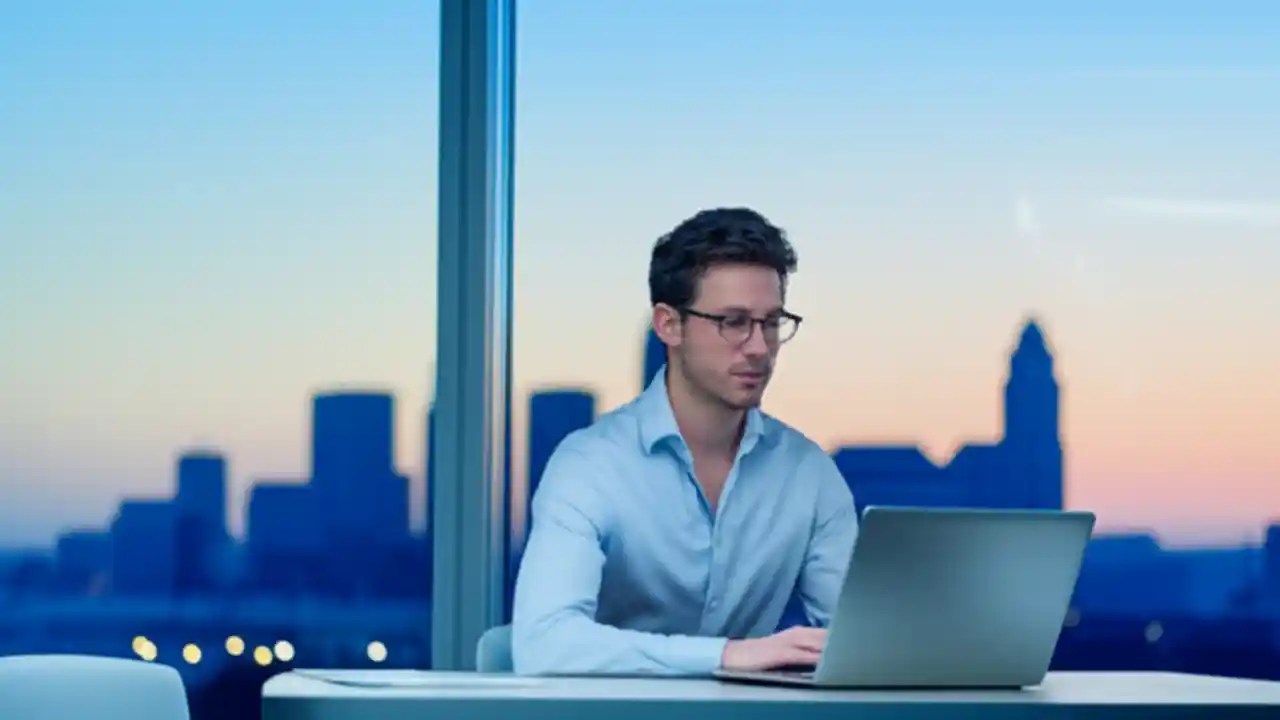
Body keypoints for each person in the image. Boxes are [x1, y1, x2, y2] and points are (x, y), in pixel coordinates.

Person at [511, 207, 858, 676]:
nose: (759, 347)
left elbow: (857, 642)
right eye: (733, 322)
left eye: (771, 322)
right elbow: (543, 644)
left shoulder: (809, 473)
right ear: (668, 325)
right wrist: (726, 656)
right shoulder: (589, 464)